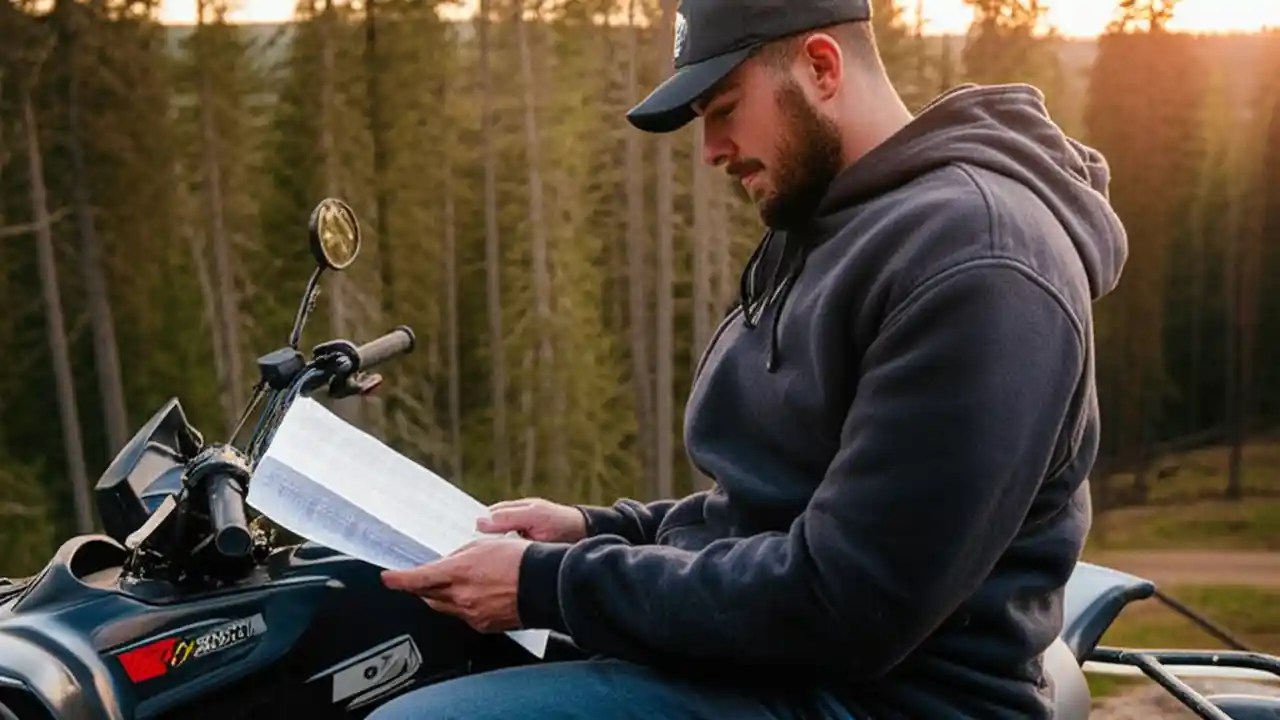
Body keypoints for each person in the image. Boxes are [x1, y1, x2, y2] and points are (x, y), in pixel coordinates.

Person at [369, 0, 1128, 716]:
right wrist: (598, 530)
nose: (710, 151)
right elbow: (773, 508)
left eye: (725, 108)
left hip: (888, 699)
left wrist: (548, 584)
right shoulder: (834, 223)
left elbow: (847, 602)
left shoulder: (978, 265)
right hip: (780, 669)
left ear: (822, 67)